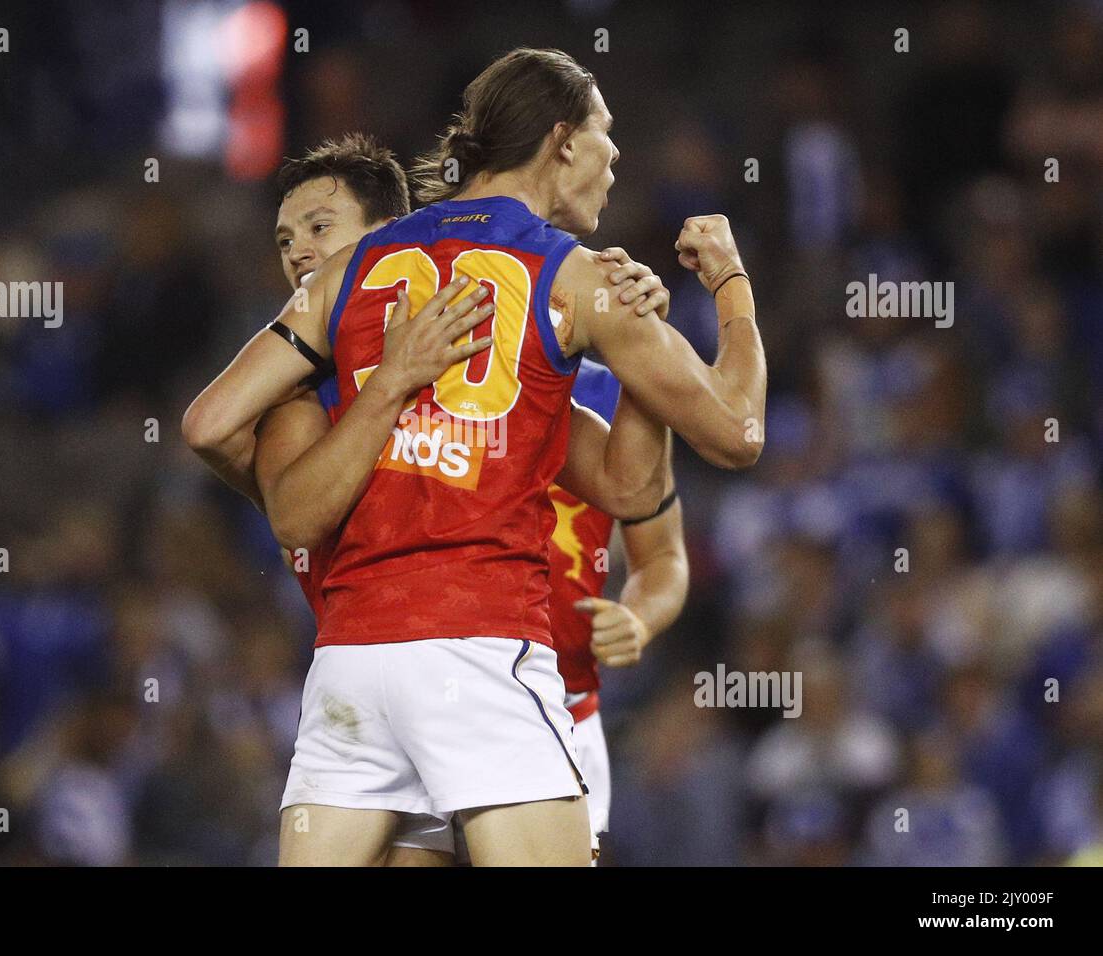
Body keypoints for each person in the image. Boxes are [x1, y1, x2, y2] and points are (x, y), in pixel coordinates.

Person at [184, 47, 765, 866]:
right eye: (605, 133)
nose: (615, 156)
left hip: (349, 668)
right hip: (480, 648)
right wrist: (732, 282)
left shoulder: (352, 267)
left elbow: (209, 423)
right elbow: (737, 434)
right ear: (561, 141)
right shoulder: (575, 277)